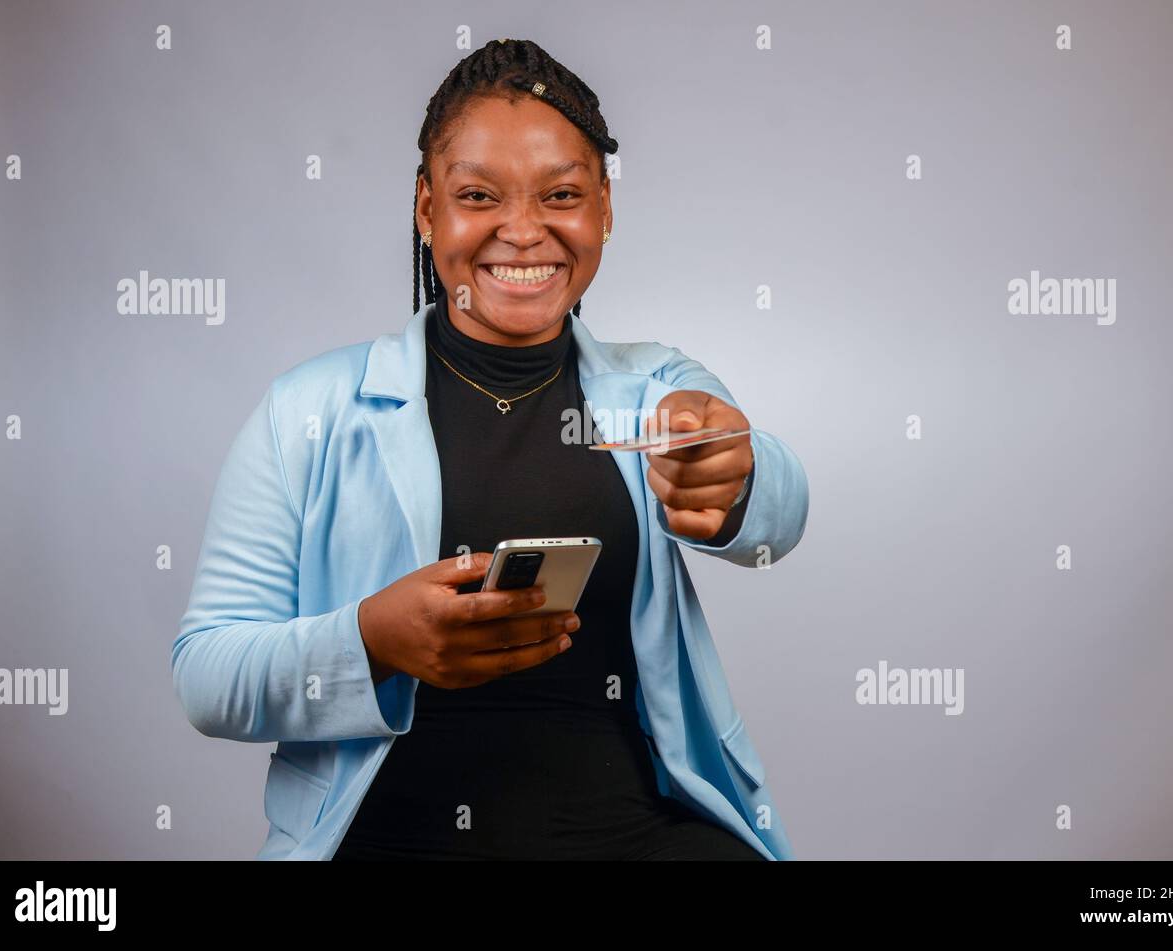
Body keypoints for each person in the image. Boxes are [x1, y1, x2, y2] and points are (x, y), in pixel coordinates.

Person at [173, 38, 809, 860]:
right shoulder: (310, 410)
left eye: (563, 194)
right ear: (425, 207)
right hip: (389, 838)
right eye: (478, 194)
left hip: (632, 834)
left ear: (605, 209)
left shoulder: (652, 388)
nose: (523, 230)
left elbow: (778, 512)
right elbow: (207, 676)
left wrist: (737, 470)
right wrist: (372, 638)